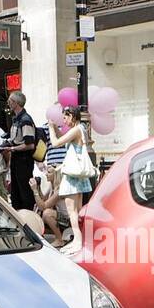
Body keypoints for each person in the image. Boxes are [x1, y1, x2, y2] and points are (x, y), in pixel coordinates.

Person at [47, 104, 92, 254]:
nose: (64, 120)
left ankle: (78, 241)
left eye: (65, 117)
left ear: (72, 116)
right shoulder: (81, 129)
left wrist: (51, 129)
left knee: (72, 210)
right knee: (77, 210)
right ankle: (78, 239)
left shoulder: (76, 130)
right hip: (78, 174)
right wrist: (56, 130)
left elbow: (55, 143)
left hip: (72, 176)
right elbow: (63, 138)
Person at [4, 90, 38, 210]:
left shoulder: (25, 120)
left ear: (16, 103)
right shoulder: (17, 119)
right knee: (16, 191)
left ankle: (28, 217)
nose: (8, 102)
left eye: (10, 100)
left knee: (24, 191)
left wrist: (12, 148)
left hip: (24, 160)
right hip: (17, 159)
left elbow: (30, 144)